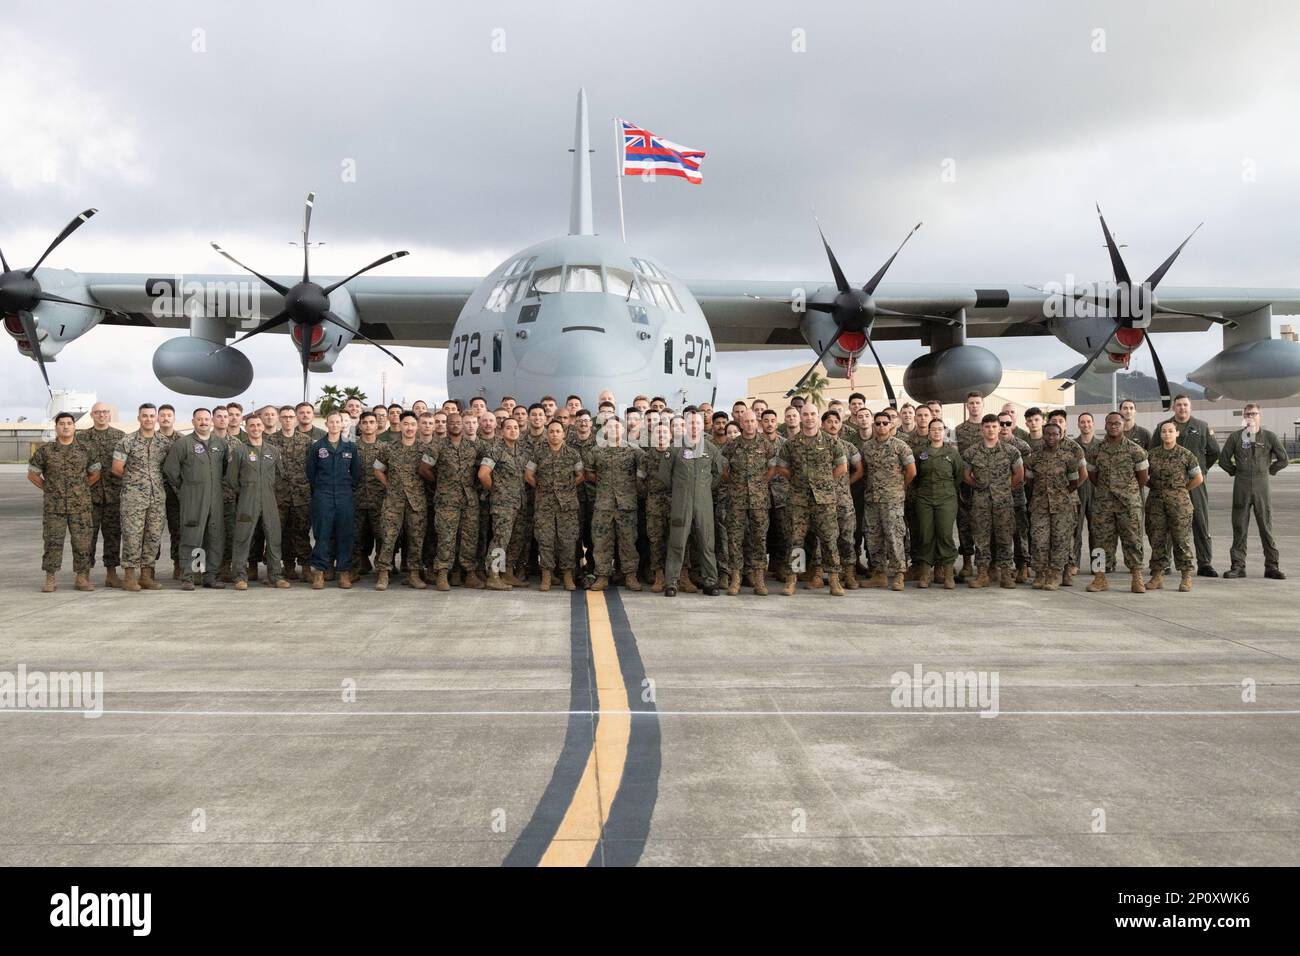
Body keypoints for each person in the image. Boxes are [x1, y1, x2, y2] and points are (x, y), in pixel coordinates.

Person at [775, 403, 847, 596]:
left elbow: (841, 468)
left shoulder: (832, 442)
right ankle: (792, 580)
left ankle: (834, 580)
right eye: (805, 414)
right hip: (798, 500)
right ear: (800, 417)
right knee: (796, 541)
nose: (809, 418)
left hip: (824, 501)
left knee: (829, 540)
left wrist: (823, 482)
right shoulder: (791, 443)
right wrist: (798, 481)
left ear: (817, 417)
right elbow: (781, 468)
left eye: (812, 414)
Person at [29, 411, 101, 592]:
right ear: (56, 427)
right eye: (62, 423)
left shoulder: (86, 449)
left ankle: (82, 578)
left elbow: (95, 474)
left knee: (82, 542)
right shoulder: (46, 451)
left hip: (81, 506)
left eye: (69, 423)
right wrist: (49, 488)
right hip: (55, 507)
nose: (66, 426)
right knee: (52, 542)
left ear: (74, 427)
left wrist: (81, 489)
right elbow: (33, 474)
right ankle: (50, 578)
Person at [1152, 395, 1220, 577]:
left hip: (1194, 483)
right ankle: (1164, 563)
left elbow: (1214, 452)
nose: (1182, 408)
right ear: (1173, 407)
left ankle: (1205, 562)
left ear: (1190, 407)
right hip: (1168, 486)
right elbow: (1150, 453)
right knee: (1165, 523)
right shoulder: (1163, 427)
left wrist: (1201, 470)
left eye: (1185, 405)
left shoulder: (1201, 427)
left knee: (1200, 521)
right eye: (1179, 405)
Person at [657, 408, 723, 597]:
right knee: (677, 542)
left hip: (704, 503)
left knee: (707, 542)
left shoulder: (710, 449)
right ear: (685, 426)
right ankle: (671, 583)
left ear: (703, 426)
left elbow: (717, 475)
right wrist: (681, 489)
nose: (694, 426)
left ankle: (711, 581)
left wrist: (702, 489)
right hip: (681, 502)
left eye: (698, 423)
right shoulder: (675, 449)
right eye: (691, 423)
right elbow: (664, 476)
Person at [1219, 402, 1289, 580]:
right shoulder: (1236, 437)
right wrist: (1235, 471)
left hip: (1262, 485)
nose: (1250, 416)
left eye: (1254, 413)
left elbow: (1284, 459)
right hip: (1241, 485)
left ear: (1260, 415)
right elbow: (1223, 459)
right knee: (1239, 527)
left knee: (1266, 526)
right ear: (1244, 416)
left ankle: (1272, 566)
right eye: (1247, 414)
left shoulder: (1269, 437)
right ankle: (1238, 566)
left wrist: (1269, 470)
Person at [162, 408, 228, 591]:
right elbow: (171, 471)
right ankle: (189, 576)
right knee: (192, 538)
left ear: (211, 421)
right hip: (193, 500)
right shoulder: (183, 444)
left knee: (214, 538)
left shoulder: (220, 444)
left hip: (215, 499)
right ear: (193, 422)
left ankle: (210, 576)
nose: (204, 422)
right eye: (200, 419)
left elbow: (224, 470)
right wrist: (186, 490)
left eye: (206, 419)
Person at [420, 410, 485, 590]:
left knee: (469, 538)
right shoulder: (437, 446)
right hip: (446, 500)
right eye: (452, 422)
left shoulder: (473, 447)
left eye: (458, 422)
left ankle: (469, 573)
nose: (455, 425)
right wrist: (440, 481)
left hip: (469, 500)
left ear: (463, 425)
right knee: (446, 537)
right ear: (446, 425)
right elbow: (424, 469)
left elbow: (482, 469)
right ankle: (442, 573)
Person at [1087, 412, 1149, 593]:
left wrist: (1127, 492)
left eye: (1117, 423)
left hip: (1128, 504)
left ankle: (1137, 576)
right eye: (1110, 423)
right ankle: (1100, 578)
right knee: (1100, 541)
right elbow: (1093, 476)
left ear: (1123, 425)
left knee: (1133, 539)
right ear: (1105, 425)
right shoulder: (1095, 450)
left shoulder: (1135, 450)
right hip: (1103, 503)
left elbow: (1143, 478)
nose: (1114, 426)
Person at [226, 415, 290, 590]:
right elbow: (231, 479)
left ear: (263, 427)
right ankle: (239, 576)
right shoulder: (239, 450)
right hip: (248, 500)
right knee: (242, 537)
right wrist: (246, 491)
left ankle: (275, 576)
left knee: (274, 537)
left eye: (258, 425)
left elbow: (279, 476)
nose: (255, 428)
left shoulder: (273, 451)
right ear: (246, 428)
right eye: (251, 425)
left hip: (269, 500)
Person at [111, 403, 170, 591]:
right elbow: (117, 468)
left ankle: (146, 575)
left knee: (153, 536)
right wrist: (136, 481)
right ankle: (129, 576)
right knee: (132, 536)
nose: (148, 419)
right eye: (145, 416)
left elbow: (168, 468)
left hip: (157, 498)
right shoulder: (127, 441)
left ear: (156, 418)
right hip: (133, 498)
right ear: (139, 418)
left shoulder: (164, 443)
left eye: (152, 416)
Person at [963, 413, 1024, 588]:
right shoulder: (971, 452)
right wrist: (979, 486)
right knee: (981, 538)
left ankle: (1005, 574)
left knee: (1005, 537)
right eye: (987, 426)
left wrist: (1004, 488)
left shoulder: (1011, 451)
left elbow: (1018, 474)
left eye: (994, 426)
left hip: (1003, 503)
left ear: (1000, 428)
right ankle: (982, 574)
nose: (991, 430)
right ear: (982, 429)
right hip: (980, 503)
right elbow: (966, 476)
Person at [585, 416, 644, 592]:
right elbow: (588, 473)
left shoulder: (634, 451)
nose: (614, 431)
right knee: (601, 541)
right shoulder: (596, 451)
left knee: (628, 541)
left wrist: (632, 485)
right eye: (610, 428)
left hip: (627, 504)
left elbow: (645, 469)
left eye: (617, 427)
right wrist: (604, 484)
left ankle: (630, 576)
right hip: (603, 503)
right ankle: (602, 576)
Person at [859, 409, 916, 591]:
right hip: (872, 499)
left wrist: (899, 487)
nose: (881, 426)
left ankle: (899, 574)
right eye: (878, 423)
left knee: (894, 536)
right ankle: (879, 574)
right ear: (874, 426)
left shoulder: (900, 446)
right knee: (873, 537)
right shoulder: (867, 447)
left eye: (885, 423)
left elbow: (911, 472)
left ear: (892, 425)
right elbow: (864, 471)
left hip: (892, 500)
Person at [721, 409, 775, 595]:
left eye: (753, 421)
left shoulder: (766, 444)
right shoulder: (732, 446)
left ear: (756, 423)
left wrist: (760, 484)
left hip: (759, 501)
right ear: (741, 423)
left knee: (759, 538)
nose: (750, 424)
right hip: (737, 501)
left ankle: (759, 579)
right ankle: (735, 578)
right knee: (735, 539)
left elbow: (772, 468)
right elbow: (724, 470)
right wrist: (736, 485)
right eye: (746, 421)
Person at [1145, 421, 1204, 591]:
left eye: (1170, 431)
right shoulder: (1152, 455)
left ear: (1177, 433)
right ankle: (1157, 575)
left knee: (1181, 539)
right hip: (1156, 503)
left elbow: (1198, 478)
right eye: (1164, 431)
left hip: (1179, 504)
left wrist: (1182, 490)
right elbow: (1143, 476)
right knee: (1157, 539)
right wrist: (1155, 487)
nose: (1167, 434)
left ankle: (1186, 576)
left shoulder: (1186, 455)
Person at [526, 420, 585, 591]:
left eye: (558, 431)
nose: (554, 434)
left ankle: (567, 575)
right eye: (551, 431)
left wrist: (566, 488)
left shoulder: (573, 454)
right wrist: (543, 488)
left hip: (567, 506)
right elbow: (529, 475)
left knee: (567, 541)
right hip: (544, 505)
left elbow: (580, 475)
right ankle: (546, 575)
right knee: (545, 540)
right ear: (547, 433)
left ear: (563, 434)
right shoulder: (538, 453)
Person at [373, 412, 428, 590]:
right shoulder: (389, 448)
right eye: (406, 424)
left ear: (417, 426)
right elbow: (377, 469)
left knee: (416, 538)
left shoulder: (425, 449)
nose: (409, 428)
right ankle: (383, 574)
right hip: (393, 502)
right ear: (401, 426)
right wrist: (389, 485)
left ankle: (413, 574)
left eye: (413, 424)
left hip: (416, 501)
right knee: (388, 537)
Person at [306, 412, 361, 589]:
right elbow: (311, 473)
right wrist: (322, 489)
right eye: (332, 422)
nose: (335, 424)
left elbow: (356, 473)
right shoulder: (317, 447)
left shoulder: (350, 447)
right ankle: (320, 572)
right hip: (323, 495)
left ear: (343, 424)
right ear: (327, 424)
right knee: (322, 535)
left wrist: (347, 489)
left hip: (345, 496)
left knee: (345, 534)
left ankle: (344, 572)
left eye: (338, 422)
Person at [1023, 423, 1080, 590]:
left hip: (1062, 507)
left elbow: (1074, 482)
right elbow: (1030, 482)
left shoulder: (1068, 458)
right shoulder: (1033, 458)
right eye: (1048, 434)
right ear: (1043, 435)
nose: (1051, 437)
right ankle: (1040, 574)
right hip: (1039, 507)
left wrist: (1060, 495)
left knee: (1060, 541)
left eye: (1055, 434)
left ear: (1060, 435)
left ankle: (1055, 574)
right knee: (1039, 541)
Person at [912, 417, 964, 588]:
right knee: (925, 534)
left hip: (946, 499)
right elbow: (916, 476)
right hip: (924, 498)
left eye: (939, 429)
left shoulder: (952, 453)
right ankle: (925, 574)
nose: (936, 432)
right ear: (928, 431)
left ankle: (948, 574)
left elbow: (958, 477)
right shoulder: (920, 452)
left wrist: (945, 489)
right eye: (933, 428)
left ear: (945, 432)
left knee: (945, 534)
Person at [78, 401, 125, 588]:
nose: (102, 415)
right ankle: (83, 573)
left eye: (105, 412)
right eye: (98, 412)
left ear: (109, 415)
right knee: (87, 537)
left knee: (113, 536)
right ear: (92, 415)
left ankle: (111, 574)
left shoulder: (120, 437)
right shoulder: (81, 438)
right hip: (90, 496)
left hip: (113, 495)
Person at [480, 417, 528, 590]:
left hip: (520, 502)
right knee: (501, 539)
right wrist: (496, 491)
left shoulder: (521, 451)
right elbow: (483, 474)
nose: (513, 430)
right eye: (509, 427)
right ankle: (493, 575)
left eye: (516, 427)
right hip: (503, 504)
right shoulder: (495, 450)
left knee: (517, 538)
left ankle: (507, 573)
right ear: (501, 431)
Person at [953, 392, 985, 580]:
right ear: (967, 406)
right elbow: (956, 456)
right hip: (965, 484)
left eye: (977, 403)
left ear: (982, 404)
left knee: (984, 526)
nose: (974, 406)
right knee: (964, 525)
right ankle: (966, 564)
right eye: (971, 403)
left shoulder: (989, 426)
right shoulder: (959, 429)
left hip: (986, 485)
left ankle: (984, 564)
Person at [351, 412, 386, 579]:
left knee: (381, 535)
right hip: (356, 499)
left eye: (371, 422)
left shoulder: (385, 448)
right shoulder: (352, 448)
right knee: (356, 535)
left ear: (377, 425)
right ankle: (356, 566)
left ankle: (382, 568)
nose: (368, 425)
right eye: (364, 422)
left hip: (379, 499)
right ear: (360, 425)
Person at [157, 404, 183, 579]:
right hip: (154, 493)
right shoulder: (150, 438)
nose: (166, 418)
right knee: (153, 531)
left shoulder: (182, 441)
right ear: (158, 418)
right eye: (163, 415)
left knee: (178, 530)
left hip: (176, 494)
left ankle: (179, 564)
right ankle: (148, 567)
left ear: (174, 418)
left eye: (169, 415)